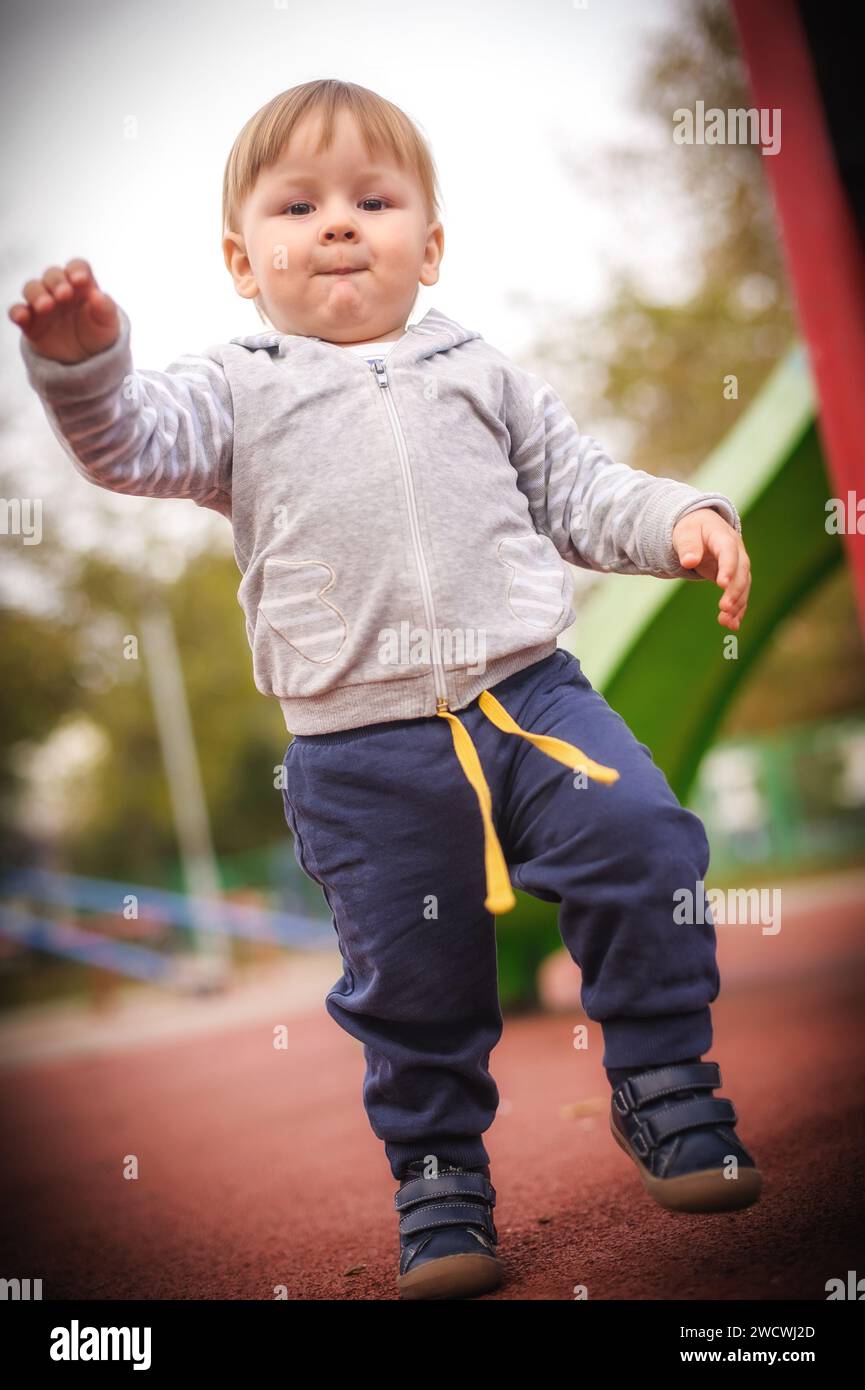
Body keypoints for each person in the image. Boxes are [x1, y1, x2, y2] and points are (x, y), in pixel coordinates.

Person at [10, 78, 761, 1302]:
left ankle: (669, 1086)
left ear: (432, 241)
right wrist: (86, 363)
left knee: (641, 834)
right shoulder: (235, 389)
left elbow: (577, 486)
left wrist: (680, 514)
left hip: (534, 701)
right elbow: (127, 444)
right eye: (297, 206)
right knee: (413, 985)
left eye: (373, 198)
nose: (339, 225)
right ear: (242, 259)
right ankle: (440, 1179)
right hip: (364, 754)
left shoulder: (482, 369)